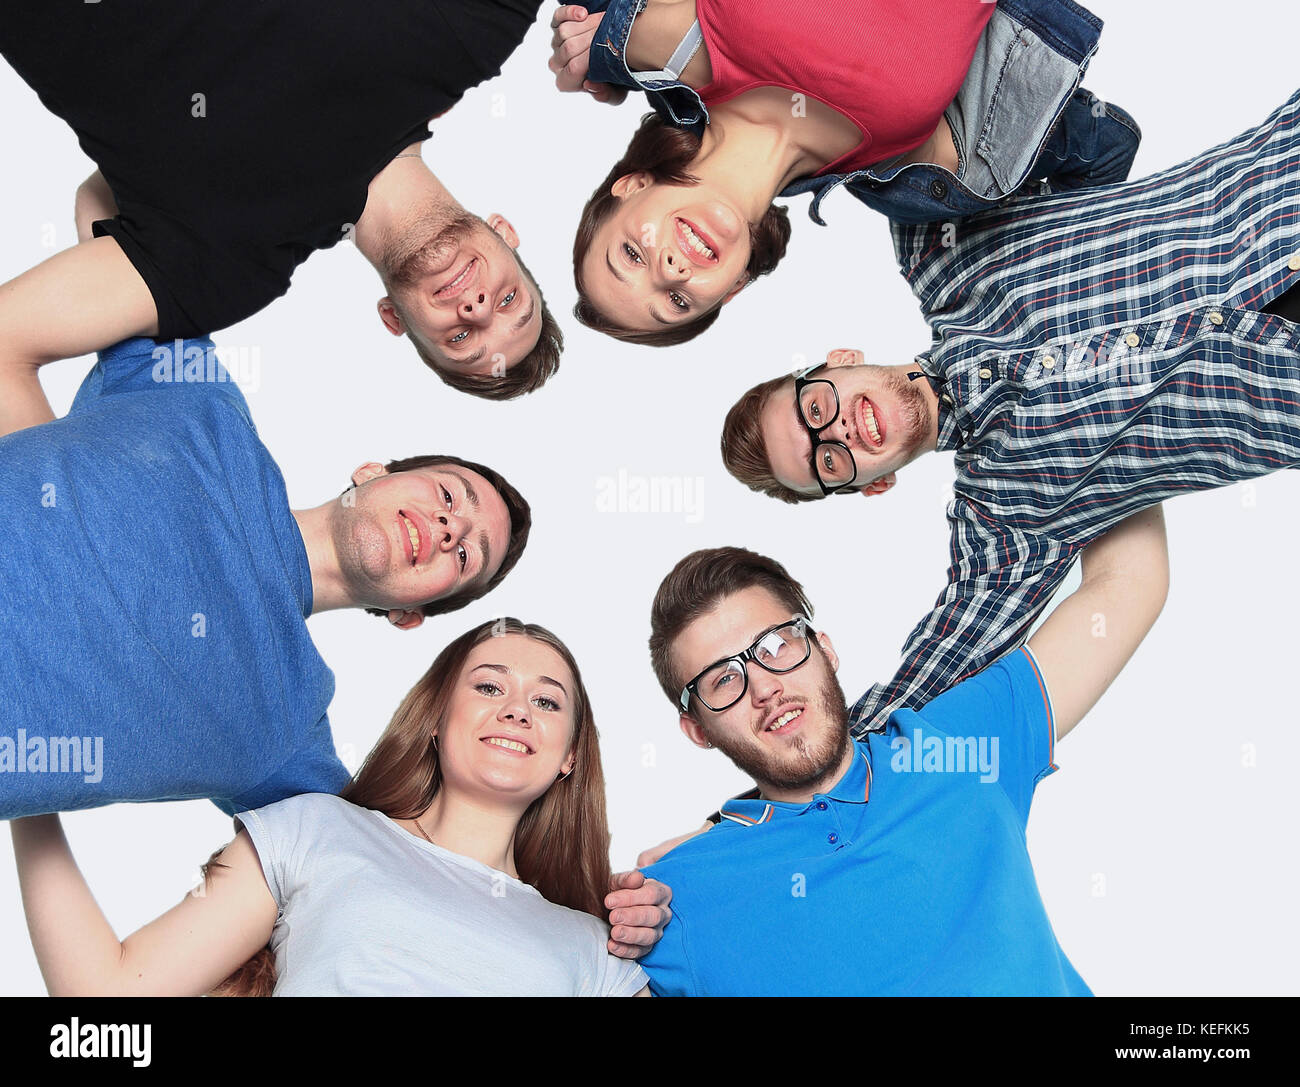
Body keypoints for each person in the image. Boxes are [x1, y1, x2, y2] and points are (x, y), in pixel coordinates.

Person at [719, 88, 1300, 731]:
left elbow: (1087, 131)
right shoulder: (1006, 519)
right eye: (828, 461)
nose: (841, 430)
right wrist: (765, 806)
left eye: (817, 406)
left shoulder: (936, 238)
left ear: (838, 358)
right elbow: (909, 712)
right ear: (872, 485)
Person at [0, 329, 532, 820]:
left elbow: (397, 871)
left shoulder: (286, 737)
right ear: (373, 473)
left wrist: (601, 900)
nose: (448, 526)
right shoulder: (201, 403)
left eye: (465, 556)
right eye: (446, 494)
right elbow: (130, 245)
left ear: (407, 616)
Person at [636, 524, 1167, 995]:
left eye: (776, 645)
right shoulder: (675, 897)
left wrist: (1094, 421)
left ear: (825, 647)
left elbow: (1129, 581)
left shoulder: (950, 745)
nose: (765, 687)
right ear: (697, 730)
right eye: (724, 679)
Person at [10, 620, 671, 996]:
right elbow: (106, 996)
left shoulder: (593, 947)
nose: (516, 708)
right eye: (489, 684)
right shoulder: (316, 829)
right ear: (437, 720)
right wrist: (23, 788)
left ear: (569, 757)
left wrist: (706, 849)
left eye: (547, 701)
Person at [0, 0, 562, 400]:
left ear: (394, 319)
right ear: (506, 233)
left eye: (462, 338)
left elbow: (8, 342)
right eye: (511, 301)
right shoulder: (469, 31)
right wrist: (627, 46)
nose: (478, 309)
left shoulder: (228, 272)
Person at [551, 0, 1140, 345]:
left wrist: (601, 48)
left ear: (630, 186)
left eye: (630, 254)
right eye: (677, 301)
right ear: (731, 290)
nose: (670, 269)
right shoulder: (913, 177)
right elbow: (1102, 147)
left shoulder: (662, 39)